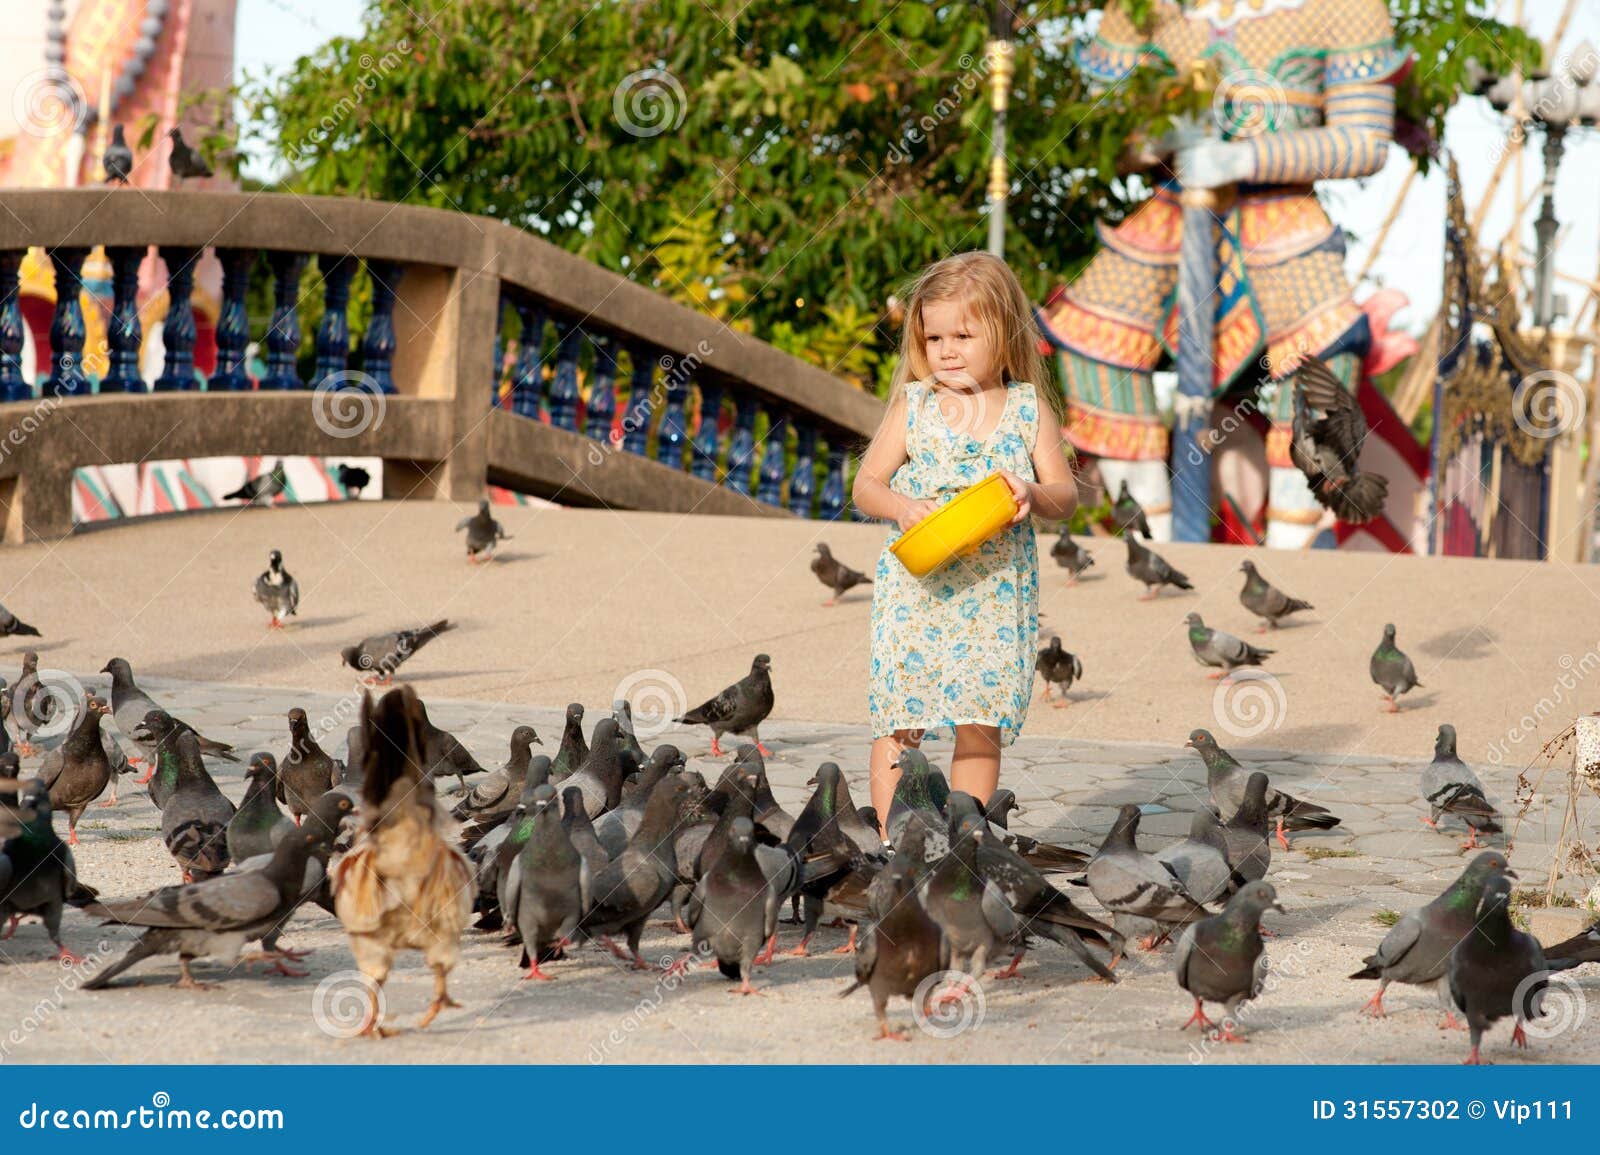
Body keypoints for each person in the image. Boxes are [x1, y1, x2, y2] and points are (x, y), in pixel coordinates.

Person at [853, 251, 1078, 837]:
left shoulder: (1028, 410)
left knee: (980, 719)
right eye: (933, 337)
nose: (946, 349)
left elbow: (1065, 495)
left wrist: (1031, 491)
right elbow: (866, 485)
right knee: (902, 717)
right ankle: (890, 841)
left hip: (995, 591)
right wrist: (902, 506)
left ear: (1002, 335)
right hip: (917, 587)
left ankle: (964, 842)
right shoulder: (915, 405)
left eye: (963, 334)